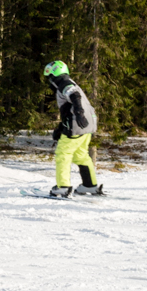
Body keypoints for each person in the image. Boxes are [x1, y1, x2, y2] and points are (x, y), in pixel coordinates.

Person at [43, 60, 102, 198]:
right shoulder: (70, 83)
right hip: (88, 126)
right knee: (81, 155)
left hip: (77, 125)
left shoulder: (65, 84)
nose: (49, 81)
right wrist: (61, 127)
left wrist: (79, 114)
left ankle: (63, 187)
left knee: (63, 154)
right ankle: (90, 185)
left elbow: (75, 96)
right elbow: (68, 109)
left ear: (54, 75)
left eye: (49, 77)